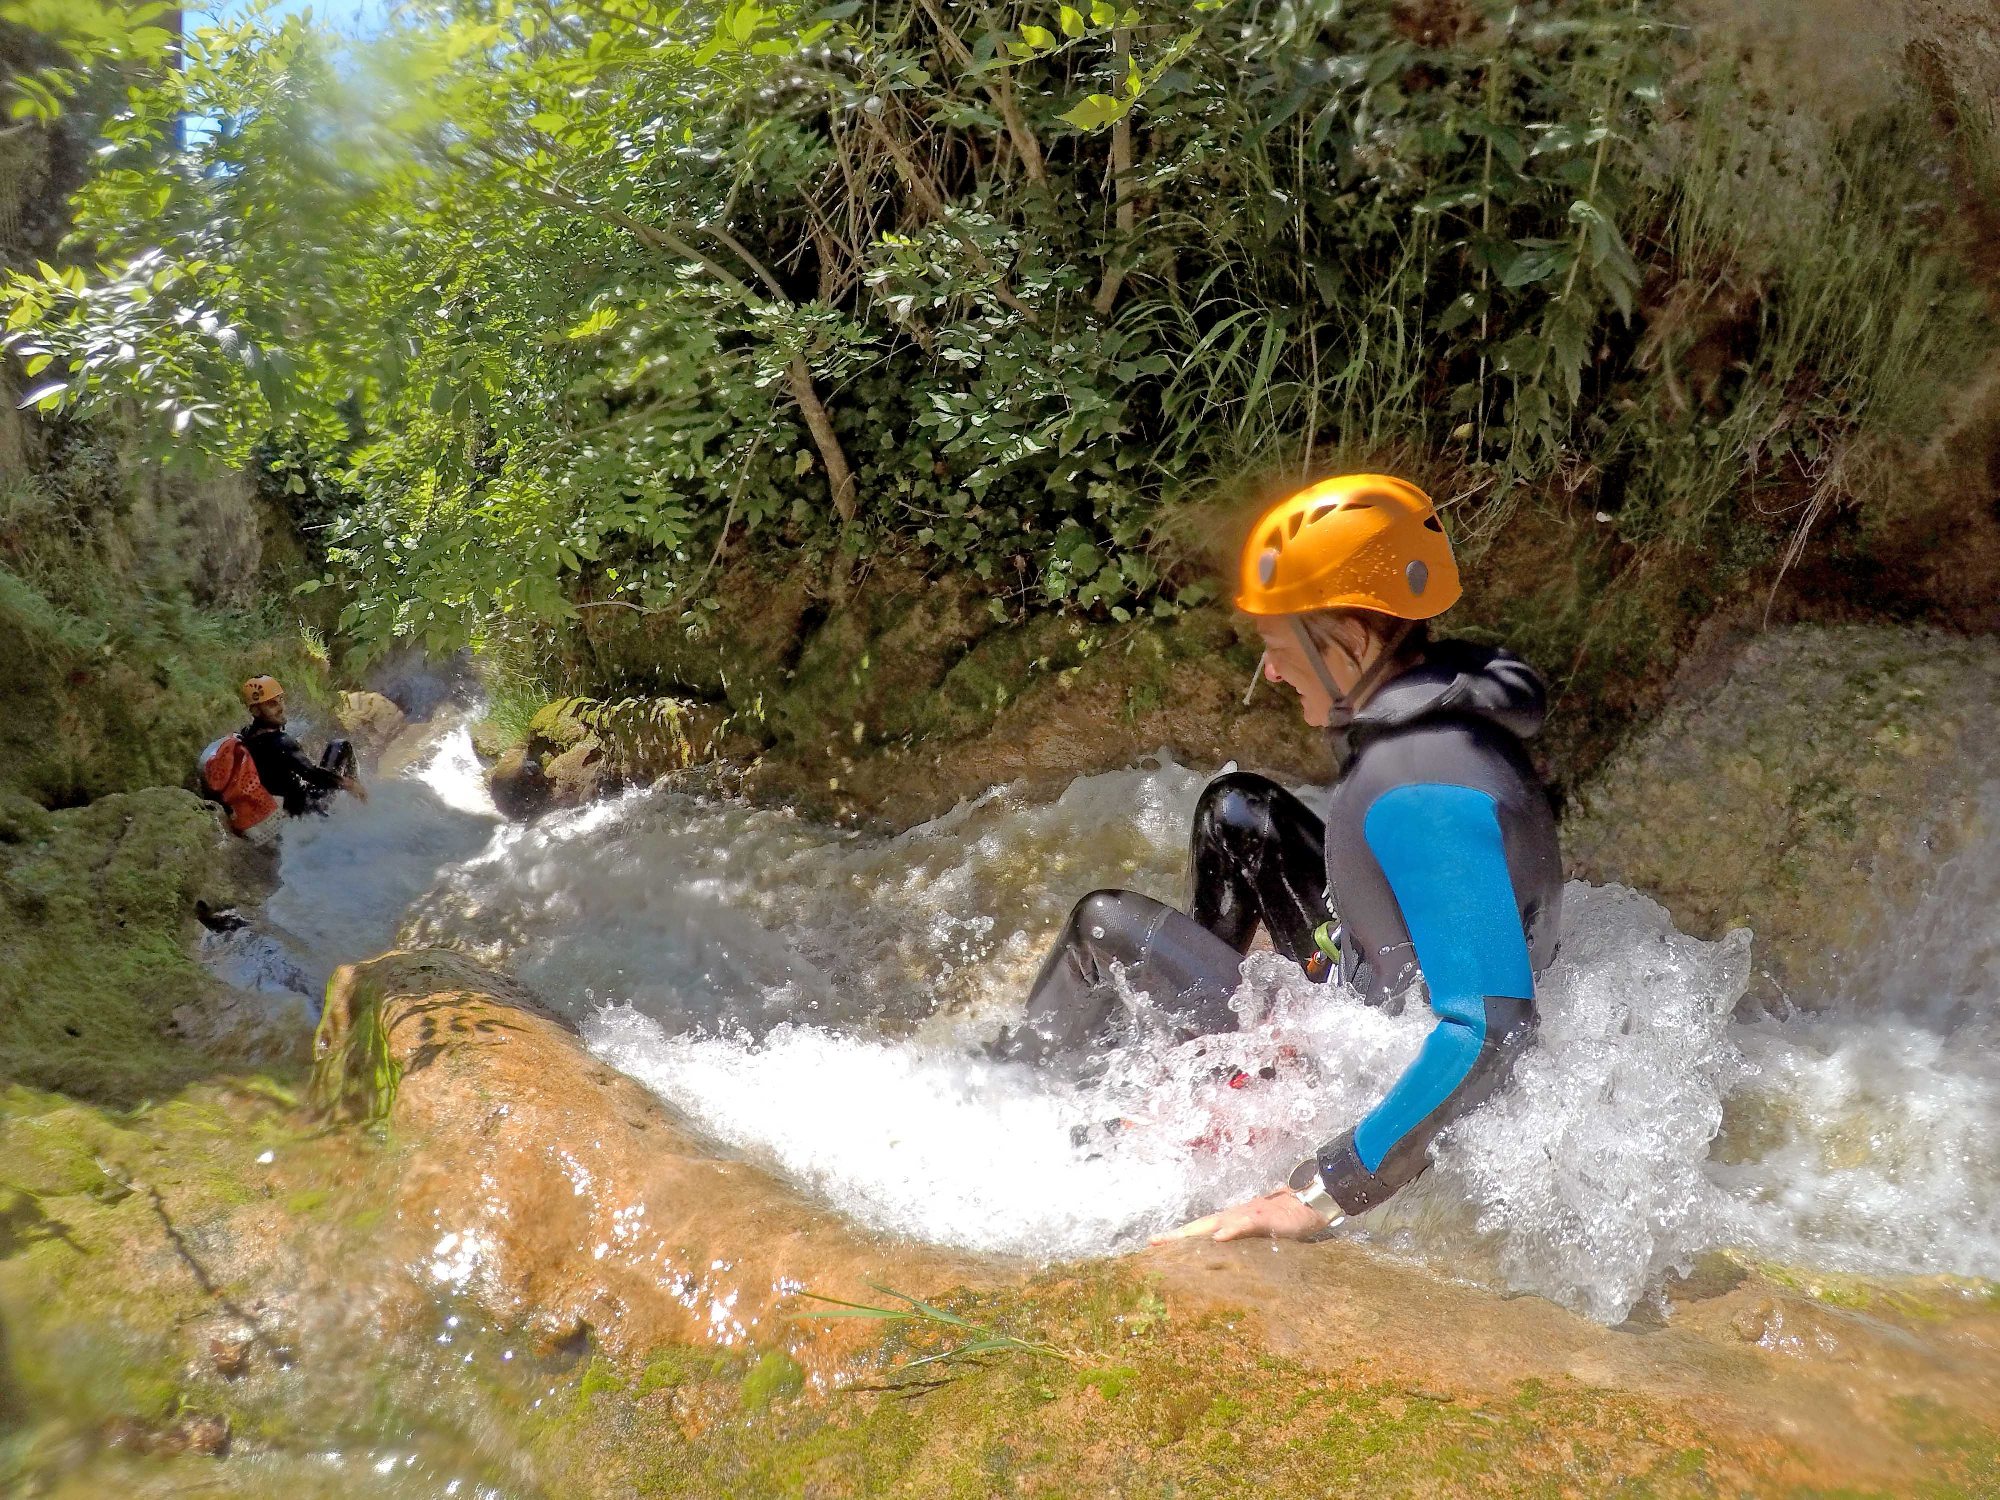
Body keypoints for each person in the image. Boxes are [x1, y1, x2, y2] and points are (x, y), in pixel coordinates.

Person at [999, 473, 1561, 1243]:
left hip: (1370, 1057)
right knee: (1240, 813)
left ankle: (1002, 1110)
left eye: (1278, 647)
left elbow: (1490, 1029)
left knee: (1102, 925)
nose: (1269, 671)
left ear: (1355, 642)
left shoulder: (1421, 786)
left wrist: (1315, 1195)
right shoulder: (1456, 707)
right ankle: (1194, 1075)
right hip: (1376, 984)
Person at [235, 675, 367, 819]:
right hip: (308, 807)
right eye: (272, 704)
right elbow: (311, 774)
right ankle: (360, 800)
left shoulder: (247, 734)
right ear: (255, 711)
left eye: (281, 700)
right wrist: (347, 784)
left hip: (283, 807)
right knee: (341, 745)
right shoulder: (281, 742)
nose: (281, 708)